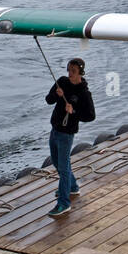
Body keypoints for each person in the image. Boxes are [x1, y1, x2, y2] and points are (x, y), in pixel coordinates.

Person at [45, 58, 95, 217]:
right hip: (55, 129)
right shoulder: (62, 82)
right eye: (68, 70)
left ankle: (64, 203)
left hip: (67, 134)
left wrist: (73, 112)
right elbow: (48, 100)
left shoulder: (84, 93)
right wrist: (56, 94)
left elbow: (90, 116)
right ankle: (72, 187)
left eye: (73, 71)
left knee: (64, 166)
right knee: (56, 161)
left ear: (80, 72)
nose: (70, 73)